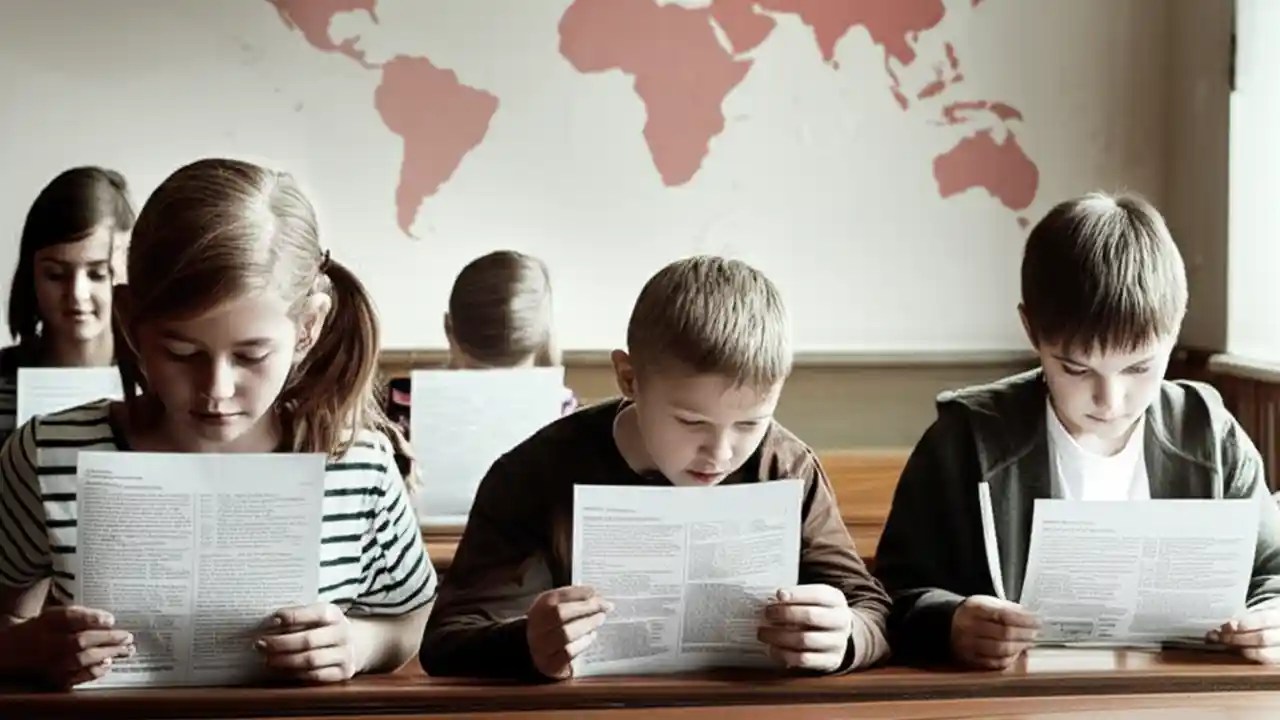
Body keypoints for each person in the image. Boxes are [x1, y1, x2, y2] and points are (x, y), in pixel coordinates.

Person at [0, 158, 436, 688]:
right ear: (132, 323)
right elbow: (9, 617)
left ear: (307, 328)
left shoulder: (359, 466)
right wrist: (23, 648)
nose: (216, 390)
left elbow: (411, 620)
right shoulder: (47, 454)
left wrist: (361, 644)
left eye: (252, 356)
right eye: (181, 353)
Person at [420, 255, 890, 679]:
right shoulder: (533, 474)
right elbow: (447, 641)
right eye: (691, 421)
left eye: (750, 423)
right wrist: (525, 643)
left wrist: (846, 636)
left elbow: (875, 610)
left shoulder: (787, 467)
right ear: (629, 378)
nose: (721, 453)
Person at [874, 192, 1280, 669]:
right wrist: (951, 621)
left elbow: (1272, 572)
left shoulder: (1209, 434)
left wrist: (1272, 618)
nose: (1111, 401)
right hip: (1014, 704)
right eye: (1076, 370)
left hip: (1179, 697)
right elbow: (889, 595)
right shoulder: (966, 439)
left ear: (1175, 330)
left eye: (1139, 368)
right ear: (1031, 331)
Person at [0, 167, 135, 442]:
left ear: (127, 268)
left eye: (98, 274)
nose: (77, 294)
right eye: (56, 275)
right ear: (31, 275)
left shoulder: (158, 383)